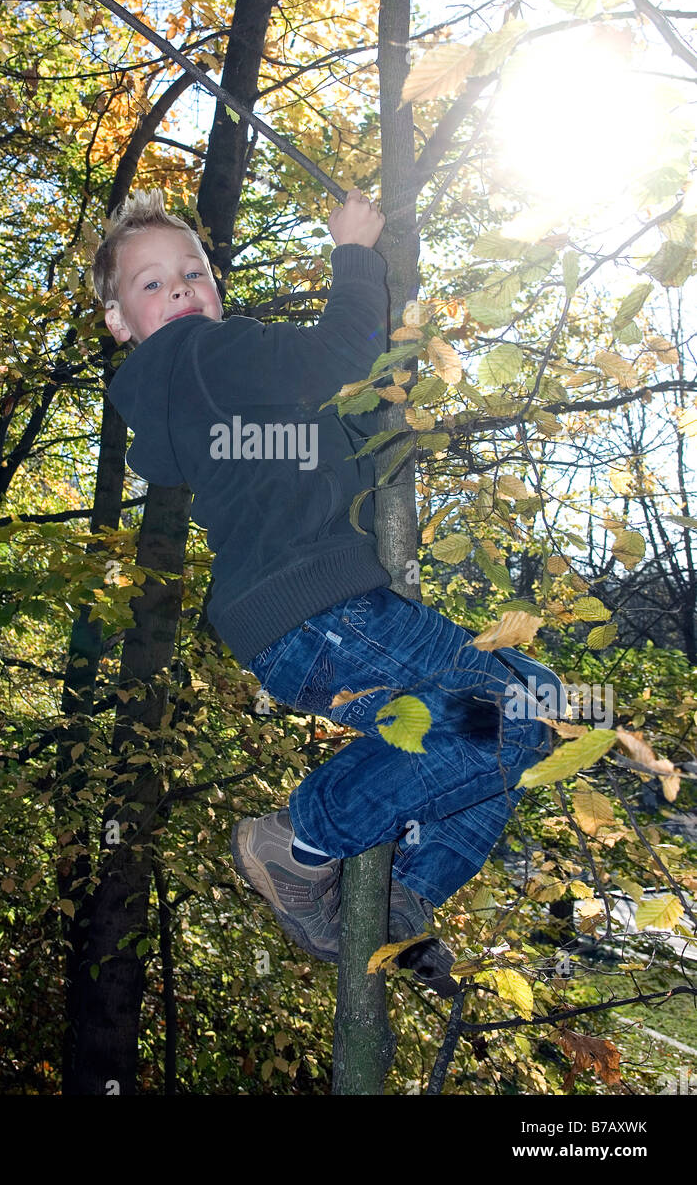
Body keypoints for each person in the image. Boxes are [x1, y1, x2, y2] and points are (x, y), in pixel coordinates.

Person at [93, 186, 564, 995]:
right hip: (324, 609)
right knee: (526, 707)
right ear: (118, 324)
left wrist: (388, 391)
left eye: (193, 273)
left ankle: (394, 901)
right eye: (151, 283)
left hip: (300, 631)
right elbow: (339, 358)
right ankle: (302, 840)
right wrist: (354, 254)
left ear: (214, 281)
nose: (178, 290)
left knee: (509, 717)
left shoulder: (214, 396)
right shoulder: (201, 353)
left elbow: (343, 405)